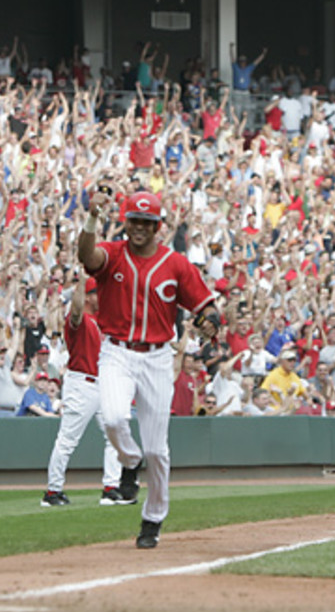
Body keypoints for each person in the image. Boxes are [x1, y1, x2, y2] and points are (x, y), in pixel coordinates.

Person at [79, 190, 217, 549]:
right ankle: (129, 460)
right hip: (118, 352)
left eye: (147, 222)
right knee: (111, 418)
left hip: (157, 357)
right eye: (135, 220)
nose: (140, 227)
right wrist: (92, 220)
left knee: (158, 451)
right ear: (125, 221)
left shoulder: (176, 264)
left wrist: (210, 322)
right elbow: (86, 255)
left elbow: (206, 306)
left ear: (158, 226)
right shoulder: (112, 253)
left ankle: (153, 518)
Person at [41, 276, 125, 508]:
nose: (101, 297)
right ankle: (53, 491)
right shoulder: (77, 319)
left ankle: (111, 488)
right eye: (96, 293)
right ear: (87, 296)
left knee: (115, 436)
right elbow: (76, 309)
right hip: (81, 383)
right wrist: (82, 279)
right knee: (68, 439)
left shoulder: (100, 320)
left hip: (102, 384)